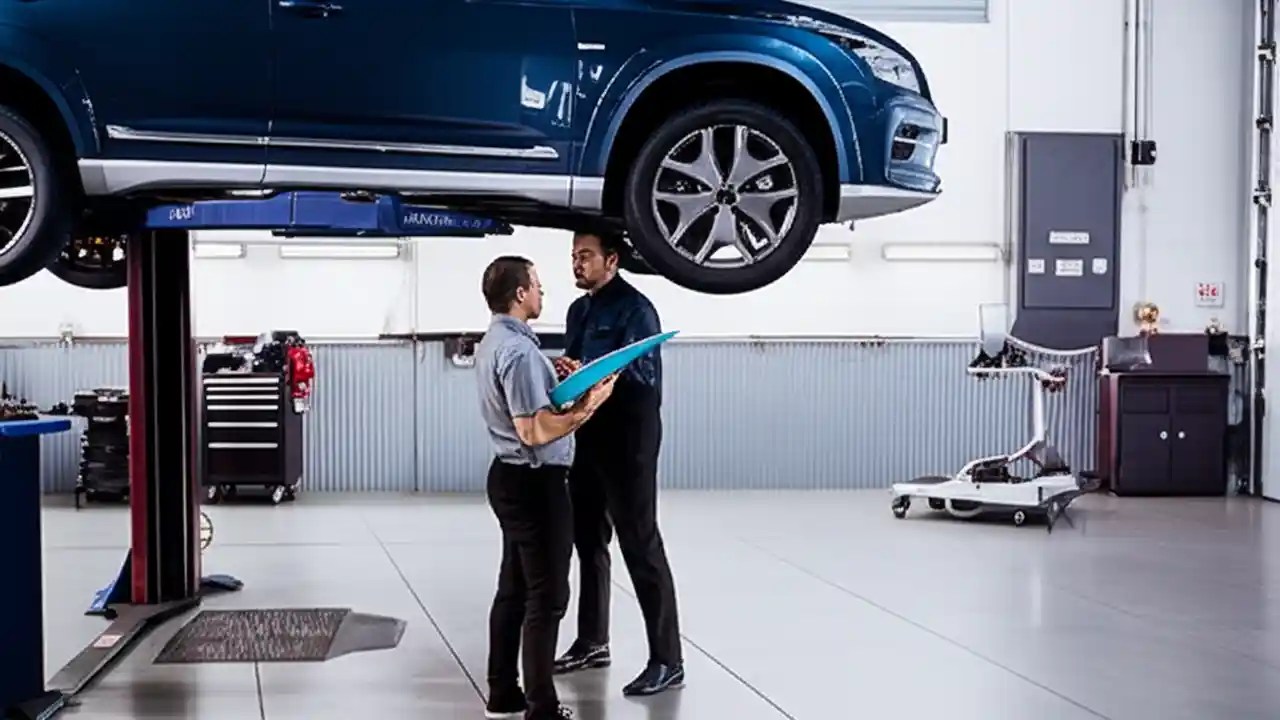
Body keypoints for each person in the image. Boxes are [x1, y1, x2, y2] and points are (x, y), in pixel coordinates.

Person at [474, 255, 617, 720]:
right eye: (536, 285)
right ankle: (542, 707)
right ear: (520, 294)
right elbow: (534, 431)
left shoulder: (499, 341)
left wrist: (552, 377)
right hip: (535, 485)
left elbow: (529, 406)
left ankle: (503, 692)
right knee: (549, 596)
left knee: (514, 589)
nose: (542, 292)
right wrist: (589, 405)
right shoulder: (518, 353)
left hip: (511, 479)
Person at [551, 230, 685, 696]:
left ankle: (668, 660)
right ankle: (592, 641)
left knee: (641, 544)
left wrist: (598, 373)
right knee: (587, 540)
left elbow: (642, 378)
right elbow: (579, 365)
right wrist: (569, 370)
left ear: (612, 259)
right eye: (573, 256)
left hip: (629, 441)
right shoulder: (578, 310)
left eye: (585, 256)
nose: (576, 263)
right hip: (587, 436)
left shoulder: (637, 309)